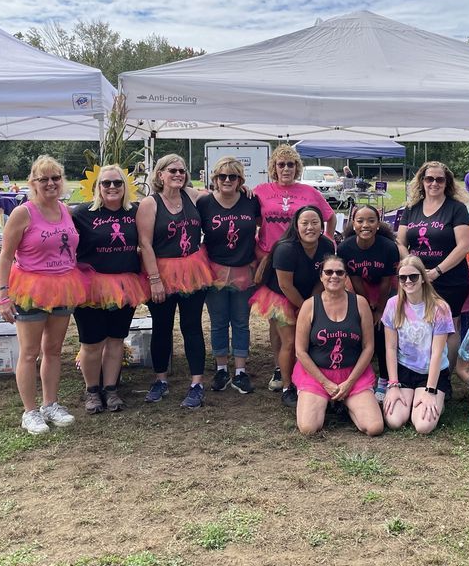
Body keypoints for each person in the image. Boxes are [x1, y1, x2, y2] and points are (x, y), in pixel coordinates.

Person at [0, 155, 86, 435]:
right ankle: (30, 411)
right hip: (31, 289)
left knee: (54, 350)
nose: (50, 183)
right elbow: (5, 256)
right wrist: (2, 295)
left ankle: (50, 404)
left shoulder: (66, 210)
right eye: (43, 179)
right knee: (29, 352)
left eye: (55, 178)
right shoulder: (23, 213)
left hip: (64, 285)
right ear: (33, 182)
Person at [254, 144, 336, 391]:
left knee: (307, 319)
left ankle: (302, 367)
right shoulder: (260, 192)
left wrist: (326, 241)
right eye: (281, 164)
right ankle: (280, 368)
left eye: (291, 164)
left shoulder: (309, 192)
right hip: (274, 260)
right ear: (274, 167)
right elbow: (251, 220)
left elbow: (330, 216)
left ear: (297, 167)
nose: (286, 168)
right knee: (279, 322)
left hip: (306, 260)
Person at [137, 154, 213, 409]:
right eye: (172, 170)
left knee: (192, 326)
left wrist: (243, 189)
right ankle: (160, 380)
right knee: (162, 326)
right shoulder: (150, 203)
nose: (178, 174)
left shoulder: (192, 196)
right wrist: (154, 280)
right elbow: (145, 244)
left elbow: (221, 197)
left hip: (192, 270)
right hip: (160, 271)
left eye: (182, 170)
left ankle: (197, 383)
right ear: (160, 174)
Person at [72, 164, 147, 414]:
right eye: (106, 183)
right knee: (92, 342)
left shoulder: (135, 211)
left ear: (125, 186)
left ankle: (111, 389)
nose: (112, 187)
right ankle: (92, 391)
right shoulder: (82, 213)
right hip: (91, 288)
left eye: (117, 182)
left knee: (116, 340)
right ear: (97, 187)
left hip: (126, 286)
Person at [250, 205, 335, 407]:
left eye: (315, 222)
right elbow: (285, 285)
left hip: (308, 294)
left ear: (322, 226)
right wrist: (304, 307)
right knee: (290, 341)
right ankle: (287, 387)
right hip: (281, 297)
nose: (310, 227)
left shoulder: (326, 245)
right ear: (296, 226)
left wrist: (311, 304)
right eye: (304, 223)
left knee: (310, 339)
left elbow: (322, 278)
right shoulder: (286, 248)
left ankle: (305, 380)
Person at [293, 255, 383, 436]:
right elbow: (300, 351)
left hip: (352, 374)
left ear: (346, 277)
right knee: (309, 428)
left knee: (374, 428)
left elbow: (368, 347)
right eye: (328, 272)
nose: (334, 276)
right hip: (317, 375)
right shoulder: (309, 306)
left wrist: (349, 383)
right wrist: (325, 383)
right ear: (321, 277)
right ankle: (326, 400)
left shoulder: (360, 303)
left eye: (339, 272)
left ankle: (346, 403)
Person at [397, 161, 469, 368]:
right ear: (422, 181)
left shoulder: (456, 209)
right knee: (419, 323)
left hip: (450, 278)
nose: (434, 183)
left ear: (447, 183)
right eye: (429, 178)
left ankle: (446, 372)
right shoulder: (411, 209)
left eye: (440, 179)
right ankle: (420, 368)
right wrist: (413, 267)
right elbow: (400, 242)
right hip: (416, 279)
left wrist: (436, 272)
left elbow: (464, 245)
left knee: (449, 326)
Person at [197, 157, 261, 395]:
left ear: (240, 180)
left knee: (241, 321)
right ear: (215, 178)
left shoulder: (251, 201)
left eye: (232, 176)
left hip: (244, 271)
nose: (227, 180)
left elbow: (262, 225)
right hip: (215, 271)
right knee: (219, 321)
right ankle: (222, 369)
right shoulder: (204, 203)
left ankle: (240, 372)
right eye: (222, 176)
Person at [381, 256, 454, 434]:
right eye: (402, 277)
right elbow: (390, 348)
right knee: (394, 421)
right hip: (405, 369)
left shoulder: (440, 308)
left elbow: (437, 353)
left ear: (423, 278)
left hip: (431, 372)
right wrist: (393, 385)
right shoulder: (393, 304)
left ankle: (434, 398)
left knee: (423, 426)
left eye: (413, 276)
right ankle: (413, 398)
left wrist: (430, 390)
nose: (408, 281)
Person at [338, 204, 403, 401]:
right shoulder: (345, 248)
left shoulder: (389, 247)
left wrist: (380, 311)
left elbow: (386, 282)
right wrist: (366, 309)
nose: (365, 225)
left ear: (378, 224)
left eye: (371, 220)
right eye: (360, 221)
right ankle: (354, 374)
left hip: (384, 290)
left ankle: (384, 378)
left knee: (383, 329)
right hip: (358, 290)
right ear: (353, 224)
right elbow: (355, 280)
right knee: (356, 326)